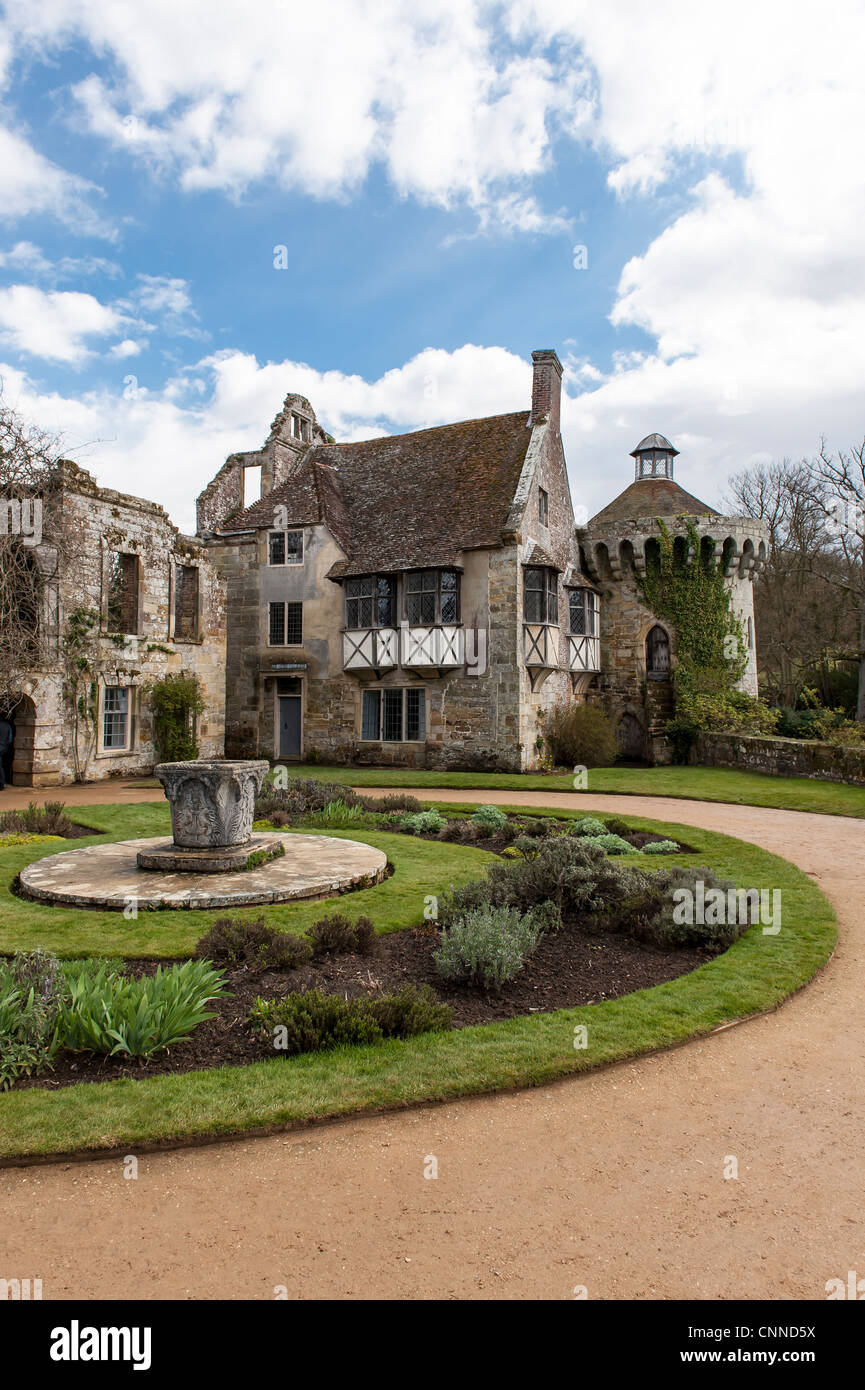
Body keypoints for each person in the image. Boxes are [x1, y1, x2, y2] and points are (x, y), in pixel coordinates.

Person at [0, 715, 13, 790]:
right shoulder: (7, 725)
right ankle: (3, 783)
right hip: (4, 747)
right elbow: (9, 739)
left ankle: (2, 783)